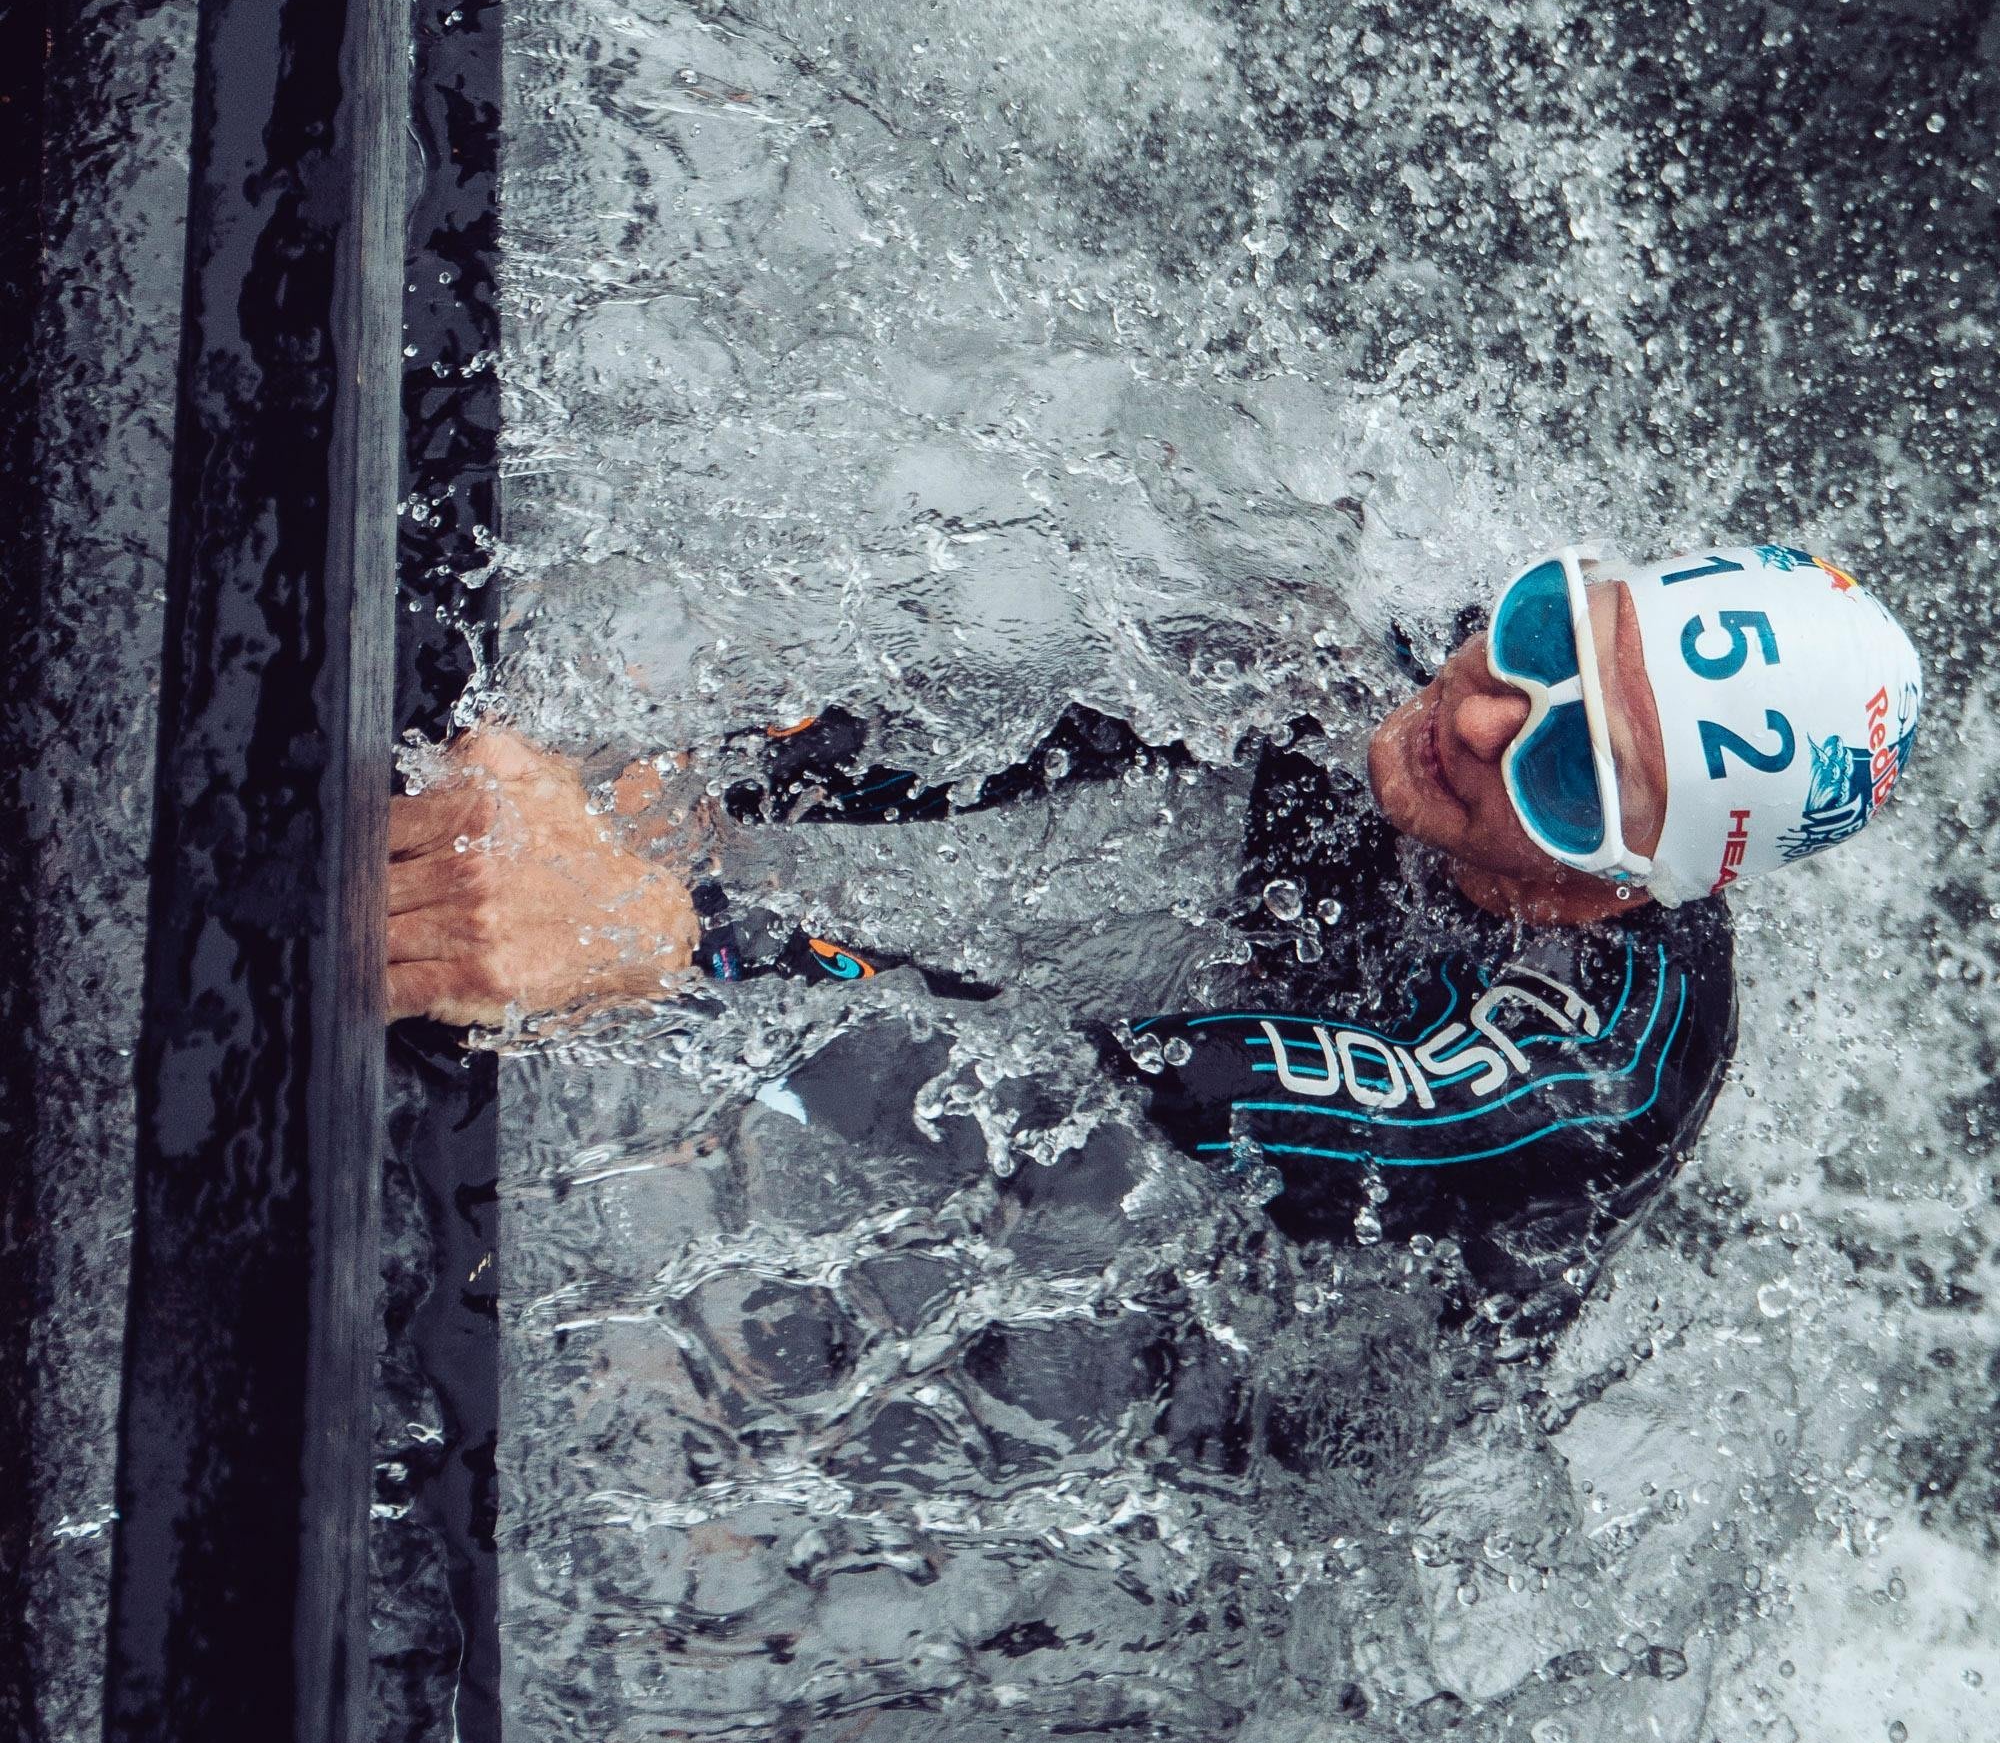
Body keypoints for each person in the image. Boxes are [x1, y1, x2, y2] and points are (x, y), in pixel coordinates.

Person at [386, 540, 1922, 1312]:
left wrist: (676, 946)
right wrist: (700, 786)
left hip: (1317, 1330)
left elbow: (1089, 1128)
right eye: (1537, 630)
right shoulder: (1438, 683)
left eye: (1578, 764)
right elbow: (1064, 703)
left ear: (1614, 887)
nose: (1481, 708)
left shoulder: (1562, 1084)